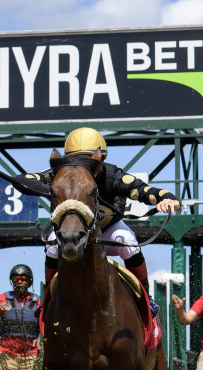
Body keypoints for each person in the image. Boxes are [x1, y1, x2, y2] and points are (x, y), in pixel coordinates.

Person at [36, 128, 180, 304]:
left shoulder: (114, 176)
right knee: (52, 244)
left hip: (108, 231)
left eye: (89, 162)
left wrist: (167, 198)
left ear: (102, 160)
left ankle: (146, 300)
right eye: (77, 161)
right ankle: (49, 300)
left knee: (127, 241)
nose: (84, 167)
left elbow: (143, 190)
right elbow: (31, 179)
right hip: (75, 231)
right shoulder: (61, 175)